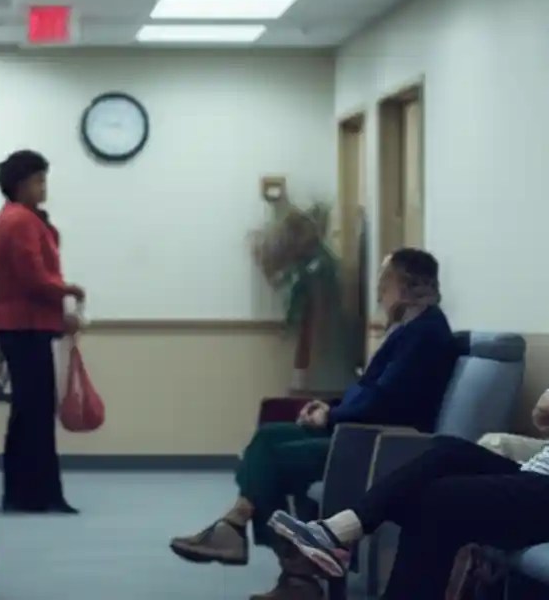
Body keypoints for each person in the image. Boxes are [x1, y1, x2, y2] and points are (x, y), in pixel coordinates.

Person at [270, 248, 549, 600]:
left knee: (441, 500)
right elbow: (543, 410)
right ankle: (337, 532)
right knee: (446, 452)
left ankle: (339, 538)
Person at [171, 248, 459, 600]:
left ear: (406, 285)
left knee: (273, 460)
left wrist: (331, 417)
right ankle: (265, 548)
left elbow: (386, 401)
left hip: (378, 446)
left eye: (385, 282)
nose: (380, 291)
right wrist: (329, 408)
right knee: (268, 437)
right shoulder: (413, 328)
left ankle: (278, 559)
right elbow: (374, 392)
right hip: (361, 432)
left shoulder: (425, 333)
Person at [0, 149, 85, 514]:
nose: (44, 187)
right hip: (24, 326)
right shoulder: (20, 220)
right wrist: (69, 291)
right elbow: (34, 277)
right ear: (20, 183)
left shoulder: (17, 218)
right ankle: (38, 494)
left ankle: (27, 493)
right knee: (35, 414)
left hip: (24, 325)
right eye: (38, 180)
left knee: (29, 413)